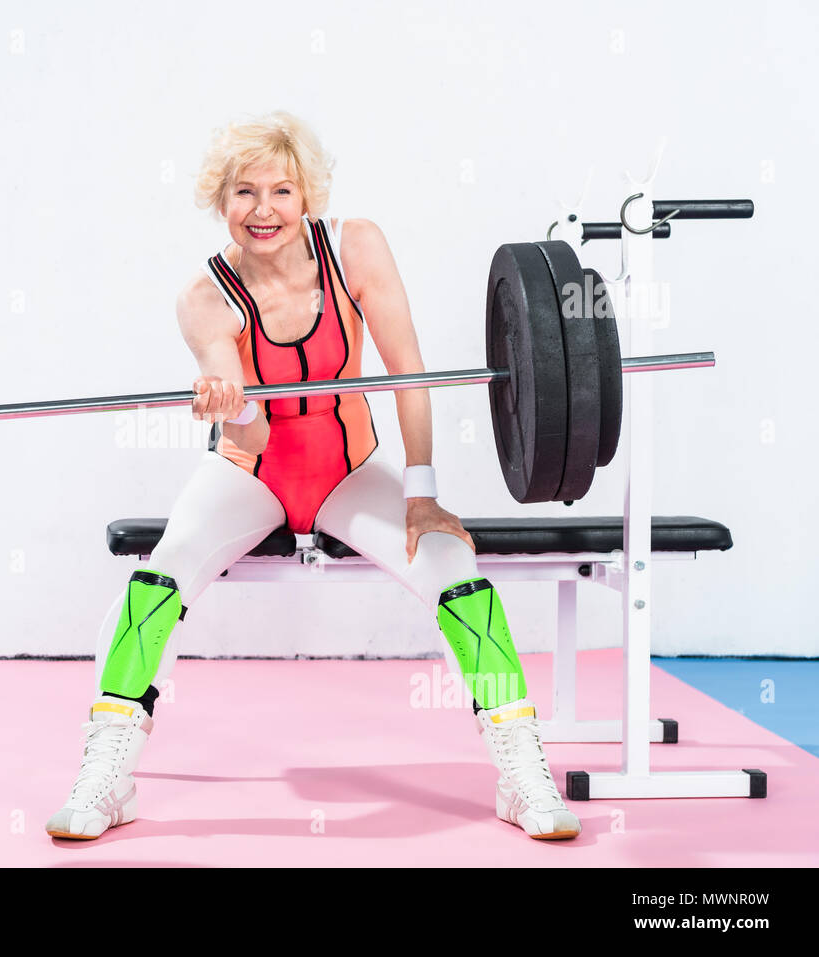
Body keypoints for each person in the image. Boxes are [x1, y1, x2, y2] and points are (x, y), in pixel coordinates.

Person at [45, 111, 581, 842]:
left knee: (459, 578)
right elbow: (252, 433)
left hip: (348, 470)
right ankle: (108, 777)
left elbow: (408, 368)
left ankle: (521, 773)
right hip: (250, 471)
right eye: (244, 192)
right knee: (155, 585)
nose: (263, 210)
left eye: (281, 191)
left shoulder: (356, 247)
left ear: (306, 195)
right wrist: (230, 402)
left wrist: (421, 493)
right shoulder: (204, 298)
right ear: (220, 199)